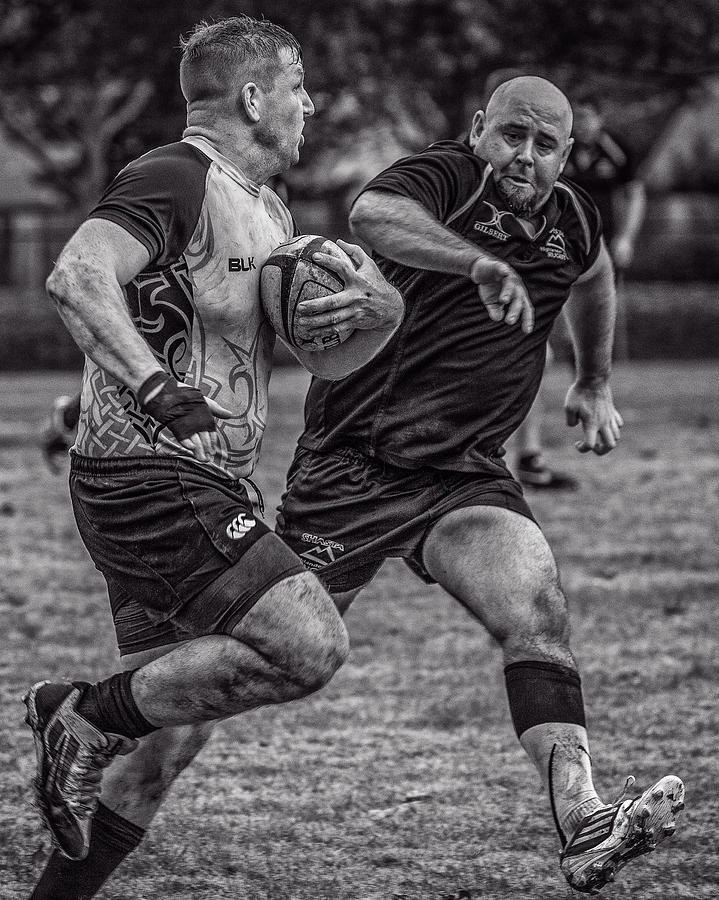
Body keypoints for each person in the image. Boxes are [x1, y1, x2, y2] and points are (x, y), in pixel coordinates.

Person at [24, 16, 405, 900]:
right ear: (252, 97)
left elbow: (331, 352)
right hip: (153, 480)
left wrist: (368, 305)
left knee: (168, 738)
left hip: (191, 480)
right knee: (308, 645)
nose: (309, 103)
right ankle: (75, 715)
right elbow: (77, 274)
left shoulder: (266, 209)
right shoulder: (175, 174)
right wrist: (157, 386)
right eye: (299, 84)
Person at [275, 76, 684, 894]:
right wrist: (477, 263)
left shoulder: (571, 217)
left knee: (536, 615)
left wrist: (593, 381)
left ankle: (583, 819)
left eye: (542, 144)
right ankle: (107, 718)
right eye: (510, 135)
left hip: (462, 477)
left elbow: (596, 279)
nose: (522, 156)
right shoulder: (444, 179)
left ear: (566, 156)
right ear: (477, 131)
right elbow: (368, 214)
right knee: (273, 655)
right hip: (350, 469)